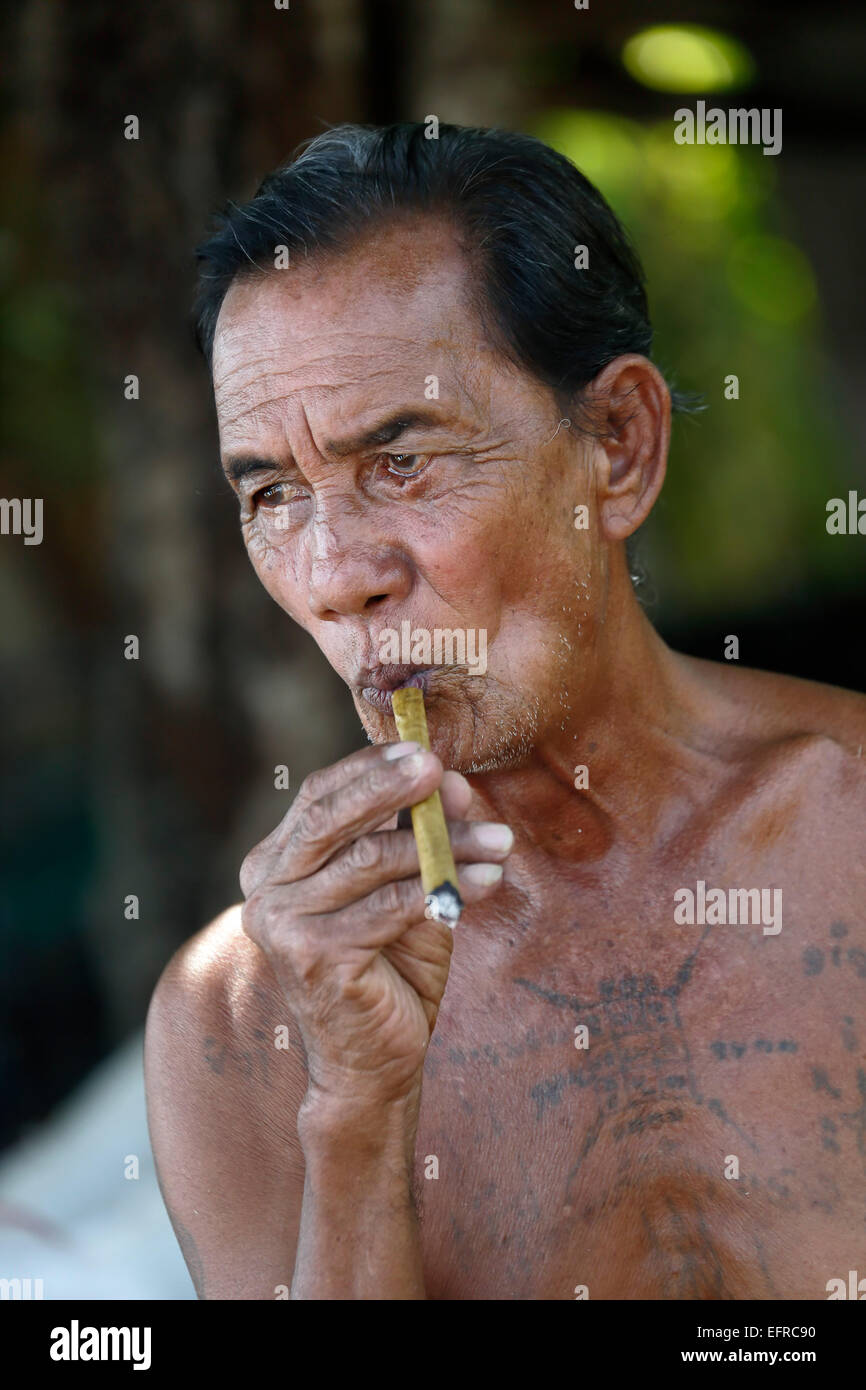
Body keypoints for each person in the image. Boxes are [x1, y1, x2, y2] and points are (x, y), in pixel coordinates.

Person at [144, 123, 866, 1300]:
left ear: (617, 448)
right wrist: (357, 1120)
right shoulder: (245, 1023)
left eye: (403, 461)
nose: (335, 576)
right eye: (272, 491)